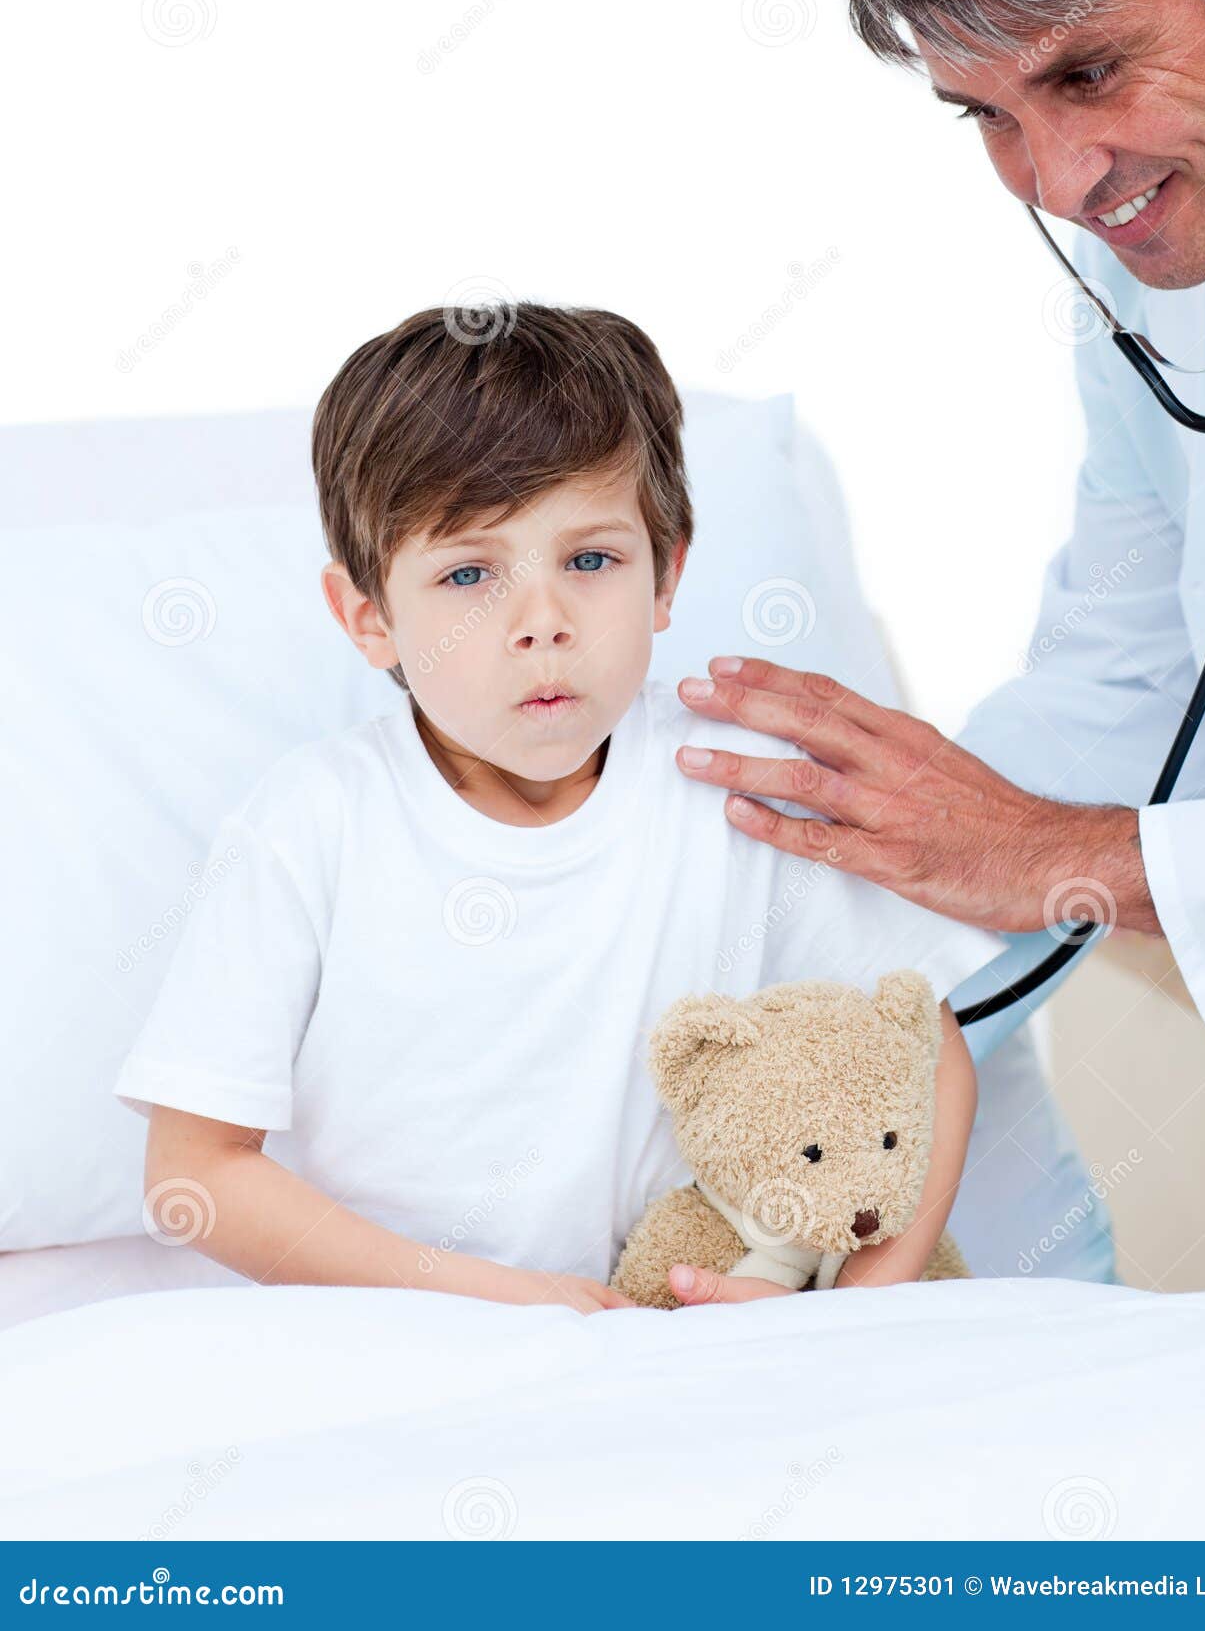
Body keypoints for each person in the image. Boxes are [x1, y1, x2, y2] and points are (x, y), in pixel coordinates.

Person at [111, 303, 1003, 1313]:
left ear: (666, 573)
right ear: (369, 619)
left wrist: (860, 1304)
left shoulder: (733, 786)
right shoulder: (311, 827)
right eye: (469, 574)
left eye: (589, 561)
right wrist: (498, 1299)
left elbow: (922, 1050)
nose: (542, 623)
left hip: (684, 1335)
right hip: (396, 1337)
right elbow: (195, 1174)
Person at [674, 0, 1205, 1131]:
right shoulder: (1163, 286)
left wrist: (1056, 853)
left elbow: (1051, 827)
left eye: (1090, 74)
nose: (1058, 179)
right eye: (988, 115)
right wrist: (810, 1002)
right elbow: (1132, 686)